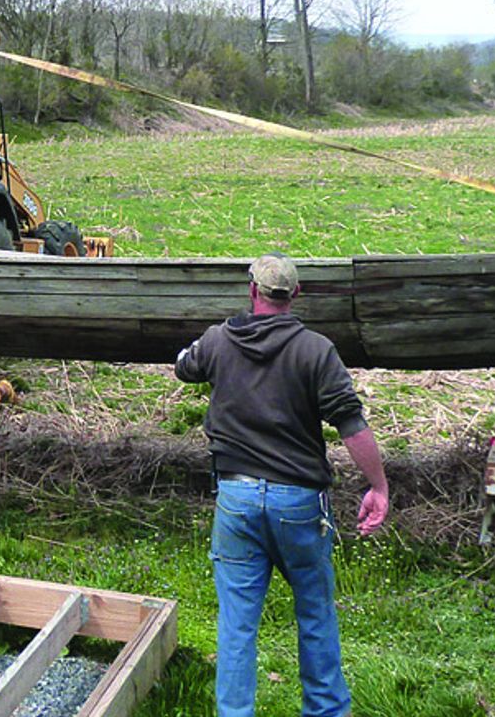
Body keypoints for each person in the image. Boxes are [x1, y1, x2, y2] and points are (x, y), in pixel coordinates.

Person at [174, 252, 388, 717]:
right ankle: (327, 710)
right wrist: (379, 487)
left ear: (252, 291)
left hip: (235, 499)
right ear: (295, 295)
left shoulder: (218, 341)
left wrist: (200, 348)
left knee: (237, 624)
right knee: (314, 614)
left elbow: (184, 366)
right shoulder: (316, 350)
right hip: (299, 505)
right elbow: (351, 425)